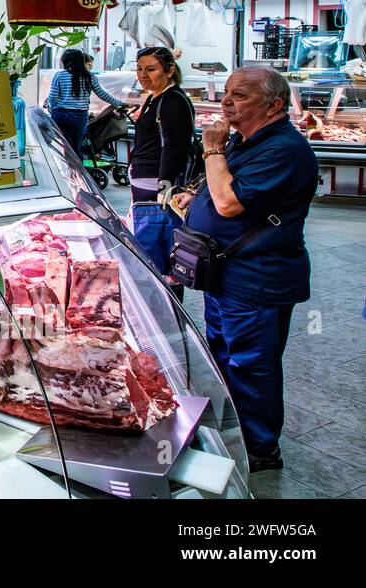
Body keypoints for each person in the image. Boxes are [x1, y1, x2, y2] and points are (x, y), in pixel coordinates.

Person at [170, 68, 318, 474]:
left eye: (241, 95)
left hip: (257, 279)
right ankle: (231, 431)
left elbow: (230, 203)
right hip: (225, 275)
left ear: (273, 105)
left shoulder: (284, 149)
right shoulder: (244, 141)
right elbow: (219, 190)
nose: (227, 101)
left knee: (251, 364)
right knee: (223, 356)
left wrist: (213, 150)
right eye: (228, 92)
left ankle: (259, 447)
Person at [129, 46, 195, 298]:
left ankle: (167, 300)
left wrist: (164, 188)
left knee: (160, 242)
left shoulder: (173, 100)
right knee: (150, 241)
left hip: (157, 183)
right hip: (144, 179)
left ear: (169, 70)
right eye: (139, 69)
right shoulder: (154, 97)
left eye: (151, 69)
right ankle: (156, 295)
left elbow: (174, 148)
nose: (143, 75)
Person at [46, 49, 127, 155]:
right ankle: (78, 170)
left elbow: (52, 98)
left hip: (61, 114)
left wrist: (53, 109)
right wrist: (120, 103)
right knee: (77, 146)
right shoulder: (89, 77)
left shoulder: (59, 75)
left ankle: (68, 169)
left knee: (65, 146)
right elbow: (103, 94)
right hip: (80, 117)